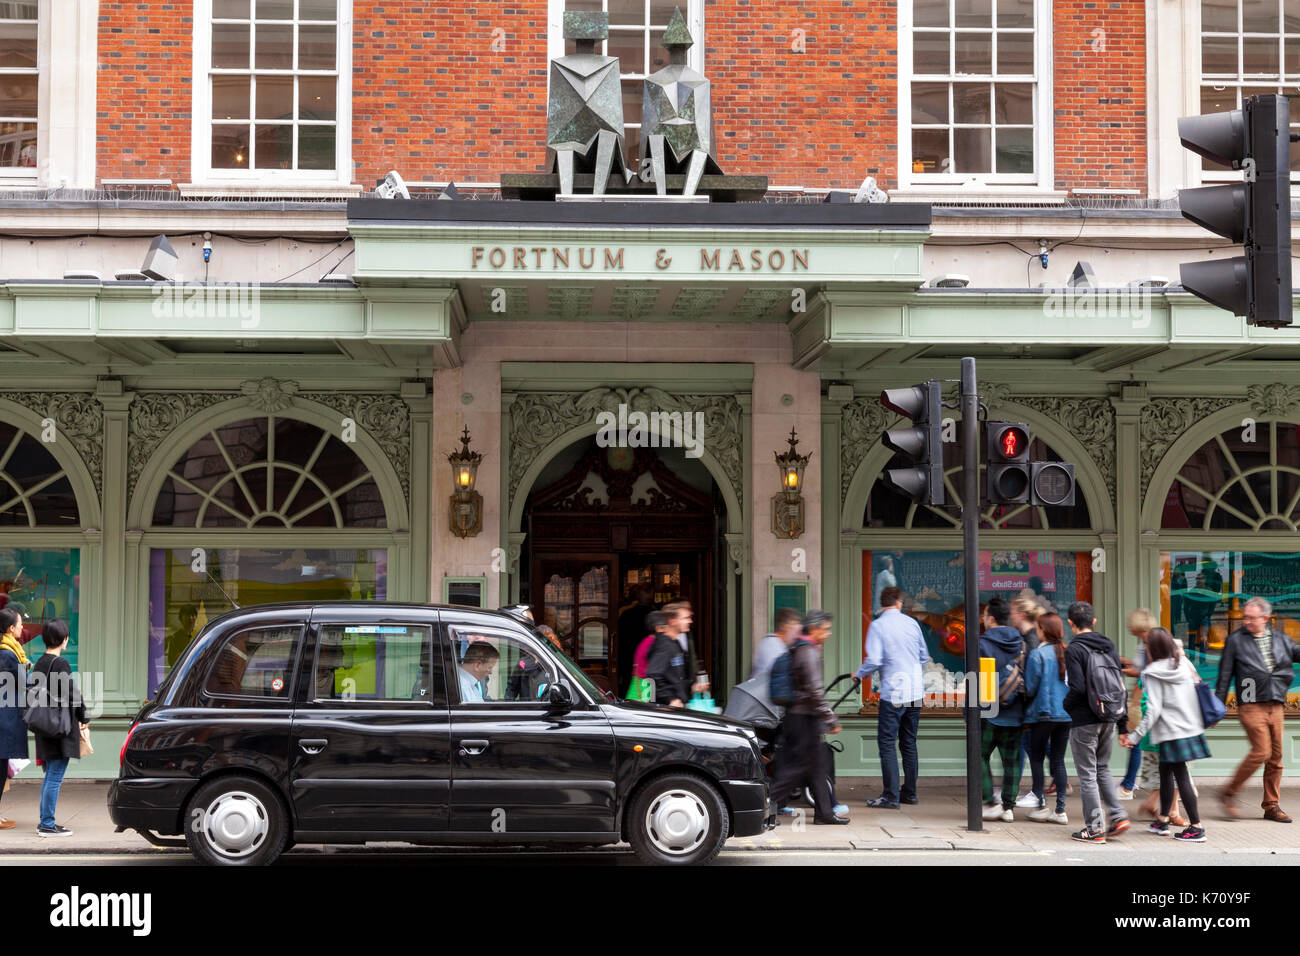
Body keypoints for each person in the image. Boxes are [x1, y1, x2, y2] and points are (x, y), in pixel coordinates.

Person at [1216, 596, 1300, 823]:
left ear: (1265, 618)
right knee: (1262, 752)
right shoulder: (1235, 640)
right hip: (1251, 703)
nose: (1247, 621)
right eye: (1245, 617)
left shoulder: (1281, 639)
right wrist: (1217, 707)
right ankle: (1229, 793)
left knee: (1276, 757)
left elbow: (1297, 653)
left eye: (1252, 618)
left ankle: (1271, 805)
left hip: (1276, 703)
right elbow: (1224, 675)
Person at [1120, 627, 1209, 841]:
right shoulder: (1183, 664)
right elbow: (1197, 687)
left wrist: (1134, 736)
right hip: (1188, 728)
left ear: (1153, 648)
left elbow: (1153, 710)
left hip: (1170, 730)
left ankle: (1196, 827)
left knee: (1180, 777)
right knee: (1166, 773)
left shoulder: (1152, 672)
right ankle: (1162, 820)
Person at [767, 610, 846, 825]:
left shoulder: (802, 648)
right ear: (813, 628)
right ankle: (765, 808)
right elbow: (815, 690)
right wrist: (830, 720)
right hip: (803, 720)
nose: (828, 633)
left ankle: (824, 813)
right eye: (825, 629)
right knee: (795, 770)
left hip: (801, 717)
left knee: (816, 767)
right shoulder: (807, 652)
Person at [1063, 601, 1129, 843]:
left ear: (1070, 623)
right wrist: (1122, 723)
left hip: (1084, 719)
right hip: (1109, 715)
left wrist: (1066, 706)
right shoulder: (1108, 645)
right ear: (1093, 621)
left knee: (1088, 775)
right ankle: (1118, 815)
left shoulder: (1074, 649)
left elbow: (1078, 688)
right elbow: (1120, 685)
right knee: (1102, 768)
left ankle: (1094, 828)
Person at [856, 586, 928, 809]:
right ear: (899, 603)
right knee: (909, 742)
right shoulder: (912, 623)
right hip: (915, 692)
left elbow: (874, 660)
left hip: (894, 693)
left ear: (883, 603)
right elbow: (924, 656)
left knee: (887, 743)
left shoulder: (878, 626)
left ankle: (890, 796)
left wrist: (859, 674)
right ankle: (910, 793)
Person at [30, 619, 87, 837]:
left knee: (50, 776)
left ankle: (45, 821)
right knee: (54, 777)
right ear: (63, 639)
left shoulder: (40, 662)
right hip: (59, 728)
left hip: (45, 726)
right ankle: (47, 824)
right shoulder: (60, 664)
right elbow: (72, 694)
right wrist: (84, 716)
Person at [979, 596, 1027, 821]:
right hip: (1015, 711)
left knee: (978, 756)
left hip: (988, 712)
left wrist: (969, 712)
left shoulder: (982, 644)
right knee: (1012, 761)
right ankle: (1008, 807)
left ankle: (990, 802)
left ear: (991, 618)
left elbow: (980, 683)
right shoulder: (1022, 644)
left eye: (984, 615)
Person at [1023, 612, 1071, 824]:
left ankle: (1040, 804)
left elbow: (1030, 687)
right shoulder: (1067, 652)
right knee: (1058, 759)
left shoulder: (1037, 655)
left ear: (1043, 630)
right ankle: (1060, 810)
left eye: (1038, 628)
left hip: (1043, 713)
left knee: (1036, 758)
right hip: (1065, 715)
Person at [1009, 594, 1043, 808]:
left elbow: (1032, 677)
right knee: (1029, 748)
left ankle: (1038, 794)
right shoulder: (1030, 637)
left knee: (1032, 750)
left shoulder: (1030, 641)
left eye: (1013, 611)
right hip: (1031, 703)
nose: (1011, 615)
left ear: (1021, 614)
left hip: (1030, 704)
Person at [0, 607, 29, 830]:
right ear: (11, 628)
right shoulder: (8, 654)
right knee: (0, 770)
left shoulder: (9, 651)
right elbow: (24, 682)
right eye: (19, 624)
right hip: (4, 720)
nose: (22, 627)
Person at [645, 602, 704, 708]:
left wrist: (691, 686)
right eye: (685, 618)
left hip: (676, 707)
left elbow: (675, 677)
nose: (690, 621)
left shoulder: (675, 643)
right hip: (665, 709)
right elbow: (653, 675)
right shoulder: (664, 645)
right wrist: (671, 699)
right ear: (673, 621)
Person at [752, 607, 802, 696]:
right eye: (794, 629)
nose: (797, 635)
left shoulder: (776, 644)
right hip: (764, 698)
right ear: (784, 627)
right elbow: (778, 676)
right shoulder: (772, 646)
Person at [617, 585, 655, 696]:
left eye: (650, 591)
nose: (649, 595)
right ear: (638, 594)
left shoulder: (654, 613)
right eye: (646, 591)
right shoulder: (627, 613)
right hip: (631, 656)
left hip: (641, 656)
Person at [165, 604, 198, 669]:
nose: (190, 618)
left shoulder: (198, 635)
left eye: (193, 615)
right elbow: (172, 661)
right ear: (181, 618)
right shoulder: (175, 638)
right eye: (187, 615)